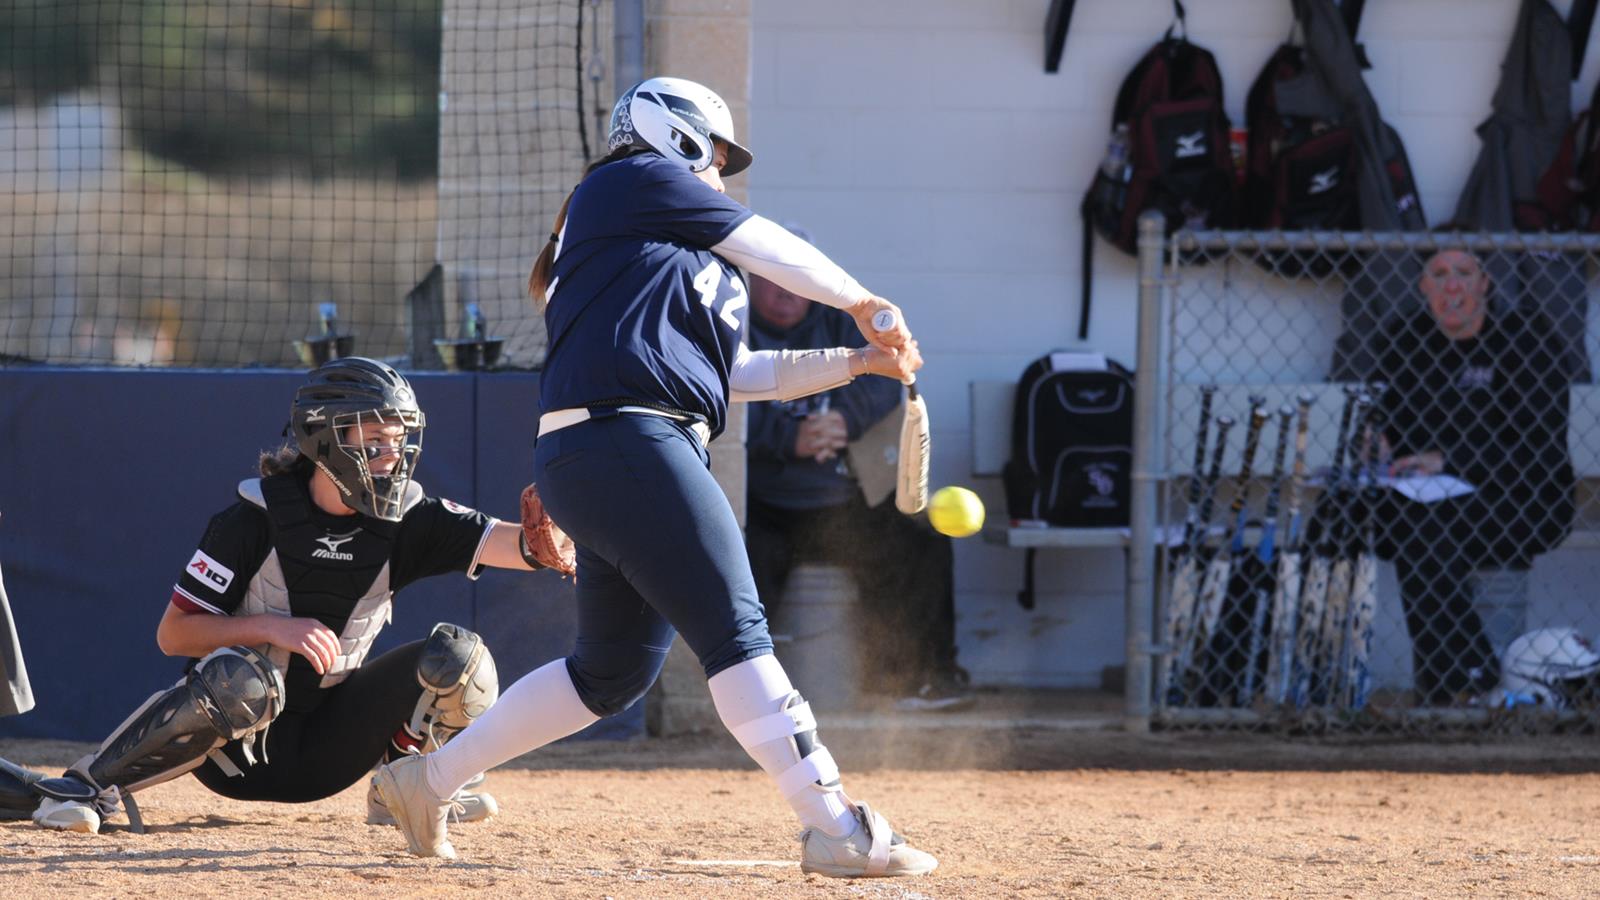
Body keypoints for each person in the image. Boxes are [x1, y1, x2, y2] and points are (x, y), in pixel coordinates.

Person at [372, 76, 938, 877]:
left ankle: (424, 781)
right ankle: (836, 827)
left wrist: (855, 363)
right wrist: (862, 301)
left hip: (614, 452)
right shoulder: (625, 181)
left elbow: (738, 373)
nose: (717, 173)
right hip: (630, 441)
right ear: (669, 134)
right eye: (713, 155)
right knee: (737, 633)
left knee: (609, 673)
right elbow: (766, 240)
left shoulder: (670, 255)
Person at [0, 357, 573, 834]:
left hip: (330, 749)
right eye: (374, 440)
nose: (392, 455)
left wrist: (563, 529)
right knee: (245, 675)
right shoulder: (253, 519)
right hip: (237, 750)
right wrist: (273, 629)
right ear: (325, 439)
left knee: (460, 658)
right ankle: (85, 789)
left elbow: (520, 544)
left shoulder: (408, 518)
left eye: (398, 440)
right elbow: (173, 634)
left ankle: (405, 786)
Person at [742, 225, 969, 712]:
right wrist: (787, 437)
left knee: (921, 540)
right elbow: (712, 391)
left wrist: (844, 421)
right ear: (752, 279)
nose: (784, 292)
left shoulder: (842, 315)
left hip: (841, 505)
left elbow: (892, 374)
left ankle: (919, 680)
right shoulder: (732, 321)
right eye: (772, 280)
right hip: (760, 505)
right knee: (731, 573)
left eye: (794, 280)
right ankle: (744, 702)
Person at [1374, 246, 1575, 706]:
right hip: (1426, 498)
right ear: (1423, 286)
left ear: (1485, 282)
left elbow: (1538, 448)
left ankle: (1467, 684)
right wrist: (1377, 440)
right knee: (1344, 514)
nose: (1452, 287)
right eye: (1439, 274)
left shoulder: (1526, 340)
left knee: (1423, 532)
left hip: (1521, 497)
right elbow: (1388, 419)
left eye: (1464, 273)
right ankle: (1282, 678)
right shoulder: (1406, 339)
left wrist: (1450, 460)